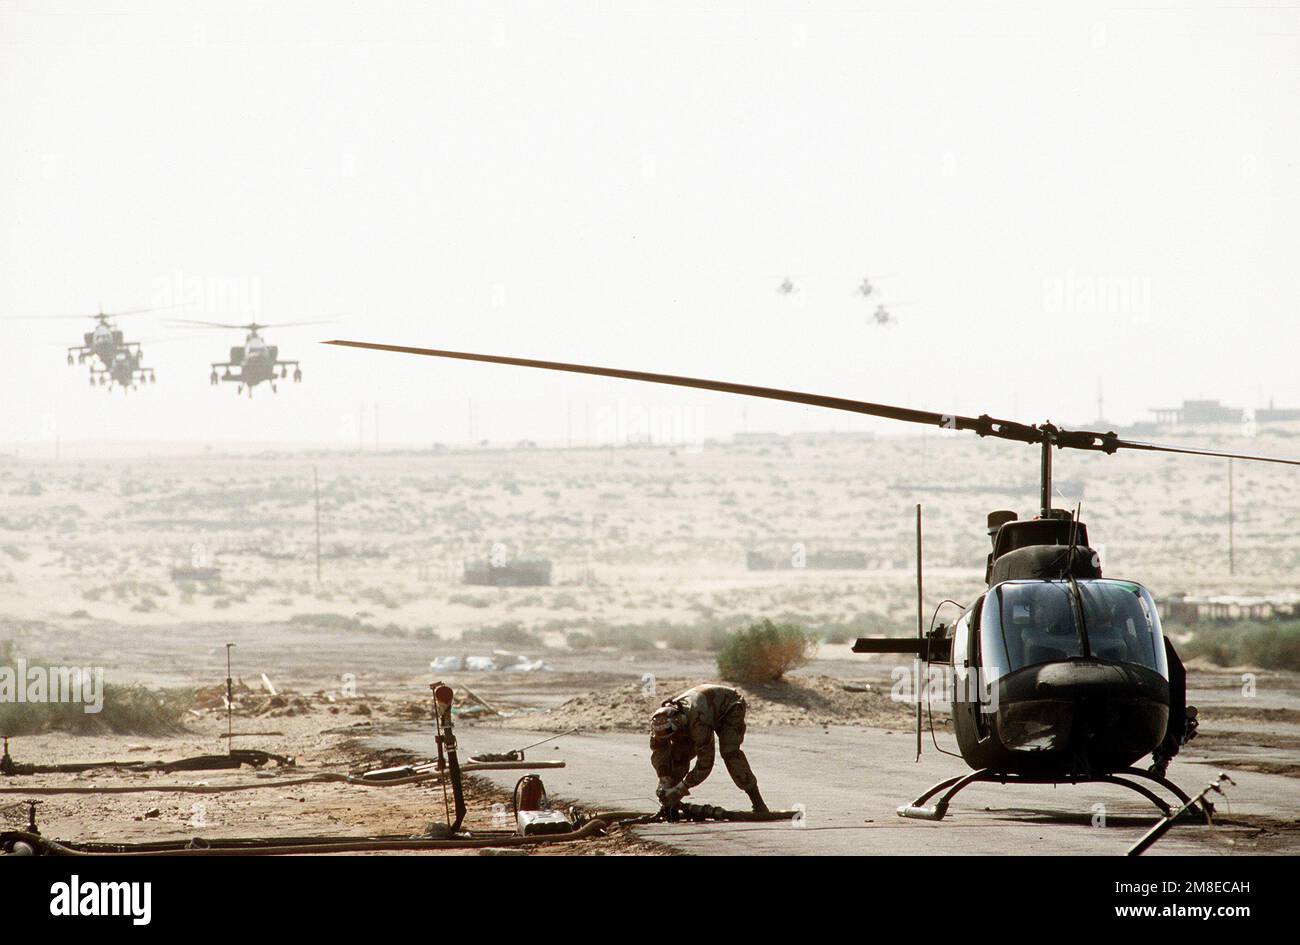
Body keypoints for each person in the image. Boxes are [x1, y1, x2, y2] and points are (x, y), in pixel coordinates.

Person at [649, 684, 768, 813]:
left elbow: (705, 764)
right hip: (704, 709)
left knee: (730, 753)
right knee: (679, 755)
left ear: (681, 723)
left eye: (675, 734)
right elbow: (659, 753)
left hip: (730, 706)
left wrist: (681, 789)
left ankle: (758, 803)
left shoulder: (698, 723)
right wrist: (664, 780)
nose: (674, 738)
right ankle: (671, 805)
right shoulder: (660, 726)